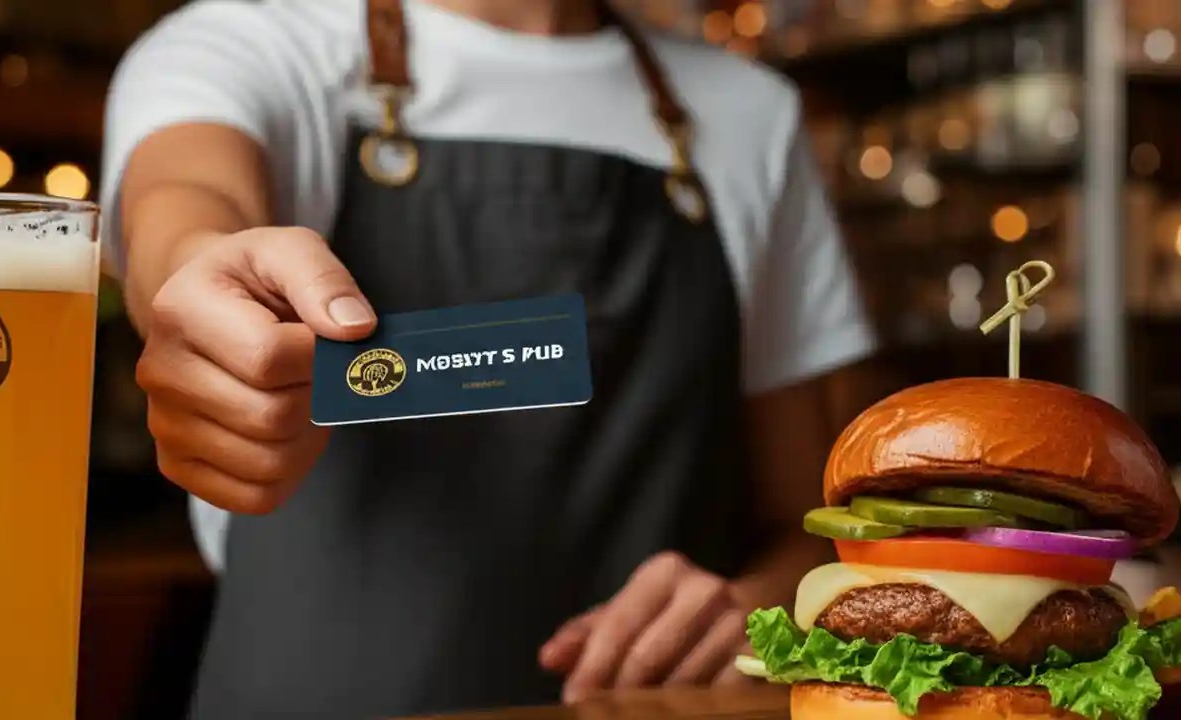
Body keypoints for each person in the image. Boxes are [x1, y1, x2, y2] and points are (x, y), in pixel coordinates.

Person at [101, 0, 882, 716]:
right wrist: (197, 274)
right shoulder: (249, 46)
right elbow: (190, 197)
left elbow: (822, 532)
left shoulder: (752, 115)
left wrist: (764, 609)